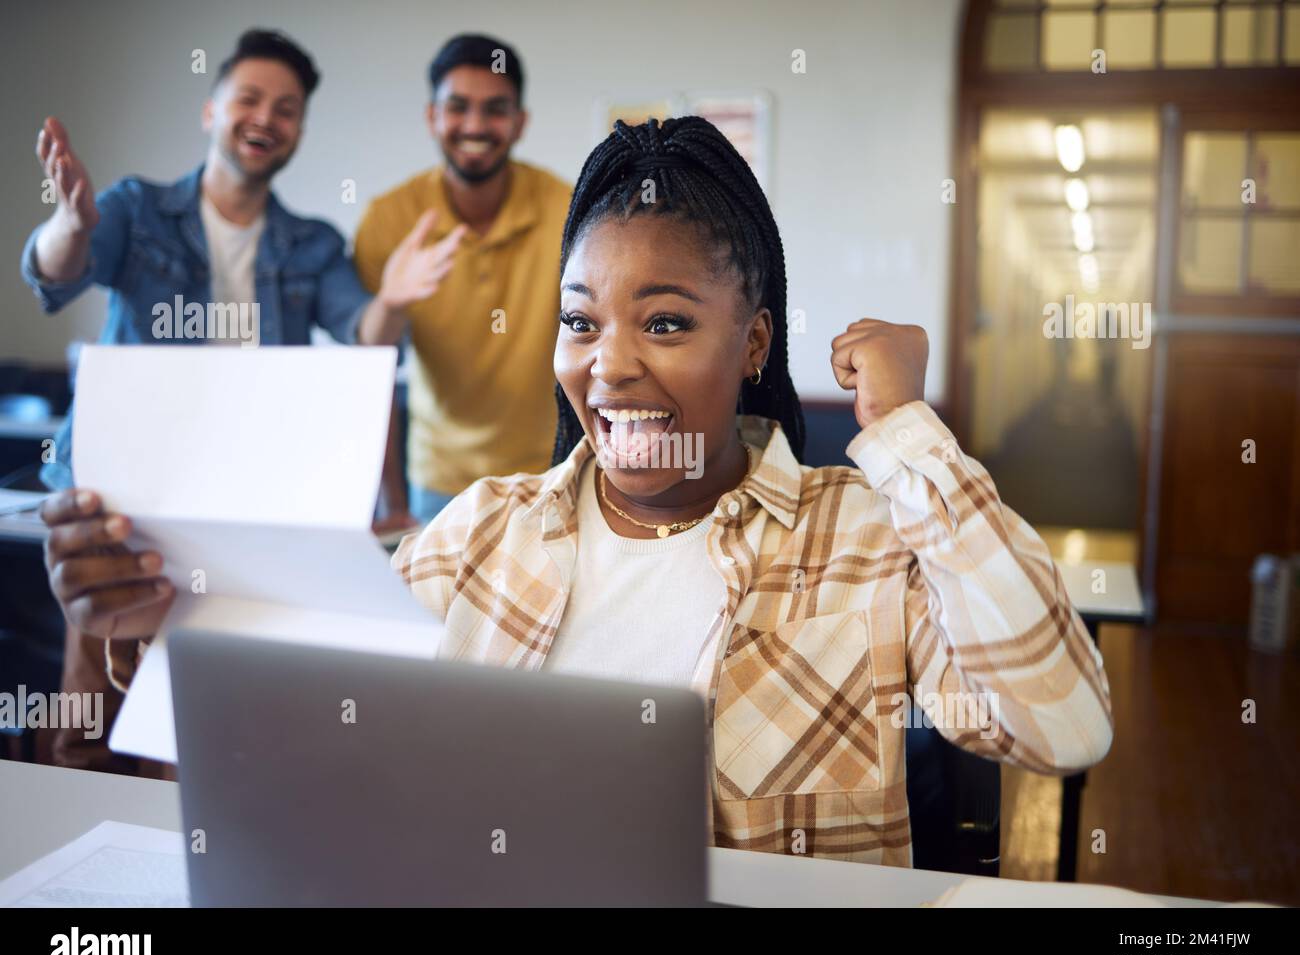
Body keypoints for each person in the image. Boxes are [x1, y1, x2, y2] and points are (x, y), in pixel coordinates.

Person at [42, 117, 1113, 865]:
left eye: (663, 322)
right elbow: (281, 751)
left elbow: (1063, 721)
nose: (608, 365)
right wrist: (122, 629)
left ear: (752, 345)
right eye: (579, 319)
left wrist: (907, 435)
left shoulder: (863, 540)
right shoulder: (478, 535)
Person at [24, 28, 453, 771]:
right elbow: (57, 273)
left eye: (287, 109)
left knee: (202, 730)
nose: (266, 118)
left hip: (245, 512)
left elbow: (364, 333)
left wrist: (393, 297)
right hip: (118, 505)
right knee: (86, 728)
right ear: (211, 109)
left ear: (298, 132)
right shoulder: (136, 209)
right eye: (249, 99)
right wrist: (68, 223)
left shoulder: (310, 242)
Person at [353, 34, 573, 522]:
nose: (475, 125)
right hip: (436, 480)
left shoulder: (568, 208)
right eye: (458, 107)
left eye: (495, 109)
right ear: (432, 117)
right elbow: (372, 365)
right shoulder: (389, 219)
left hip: (550, 473)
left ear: (519, 123)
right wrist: (392, 503)